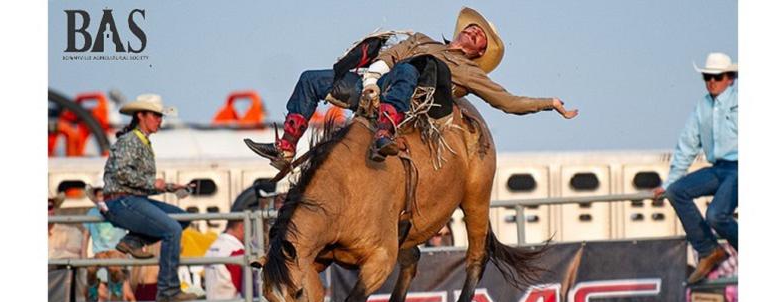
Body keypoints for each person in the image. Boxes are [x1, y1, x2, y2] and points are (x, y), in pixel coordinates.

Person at [245, 7, 578, 167]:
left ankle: (384, 134)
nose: (473, 34)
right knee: (309, 78)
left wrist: (548, 103)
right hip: (374, 87)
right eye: (473, 29)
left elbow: (507, 101)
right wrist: (373, 77)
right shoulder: (421, 39)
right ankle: (287, 148)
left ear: (480, 53)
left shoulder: (469, 72)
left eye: (480, 38)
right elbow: (393, 52)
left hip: (412, 103)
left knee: (410, 68)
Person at [101, 93, 198, 302]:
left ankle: (132, 241)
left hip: (129, 200)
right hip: (122, 201)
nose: (159, 120)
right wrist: (154, 184)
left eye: (160, 116)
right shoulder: (131, 140)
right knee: (172, 229)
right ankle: (168, 289)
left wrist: (172, 187)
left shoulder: (140, 141)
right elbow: (122, 174)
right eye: (155, 115)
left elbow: (136, 181)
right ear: (141, 115)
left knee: (182, 219)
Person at [653, 52, 738, 284]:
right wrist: (669, 182)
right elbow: (687, 145)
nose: (711, 81)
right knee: (676, 191)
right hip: (719, 168)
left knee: (716, 215)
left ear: (730, 77)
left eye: (717, 77)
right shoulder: (702, 106)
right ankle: (709, 250)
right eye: (707, 77)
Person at [81, 186, 133, 302]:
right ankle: (92, 288)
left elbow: (131, 231)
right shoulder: (92, 212)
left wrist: (128, 253)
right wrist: (83, 257)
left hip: (118, 252)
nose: (104, 199)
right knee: (91, 268)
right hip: (100, 253)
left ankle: (116, 289)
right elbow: (85, 236)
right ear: (95, 198)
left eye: (107, 196)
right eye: (101, 196)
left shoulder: (119, 211)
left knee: (114, 265)